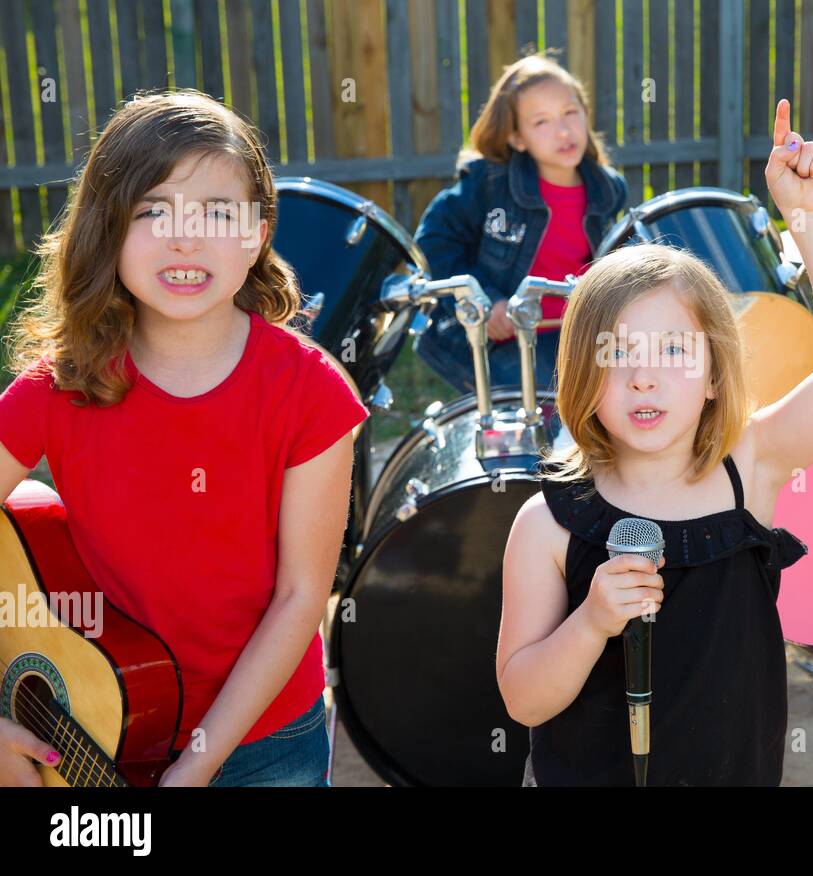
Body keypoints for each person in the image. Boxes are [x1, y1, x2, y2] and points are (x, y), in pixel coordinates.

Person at [496, 98, 813, 784]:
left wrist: (810, 217)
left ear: (714, 376)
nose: (644, 378)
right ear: (581, 373)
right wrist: (591, 623)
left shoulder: (753, 466)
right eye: (618, 354)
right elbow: (524, 699)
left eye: (674, 351)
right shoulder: (547, 524)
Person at [0, 91, 367, 786]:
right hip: (91, 722)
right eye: (152, 211)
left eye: (217, 213)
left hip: (264, 740)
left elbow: (299, 599)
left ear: (258, 234)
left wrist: (194, 768)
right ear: (105, 230)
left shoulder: (311, 393)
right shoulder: (61, 385)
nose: (184, 237)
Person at [413, 52, 629, 394]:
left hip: (580, 333)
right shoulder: (488, 182)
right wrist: (487, 301)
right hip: (509, 340)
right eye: (541, 122)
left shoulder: (607, 188)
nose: (563, 131)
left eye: (571, 113)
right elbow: (433, 243)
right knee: (552, 415)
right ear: (517, 137)